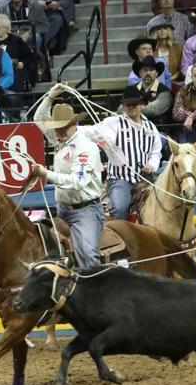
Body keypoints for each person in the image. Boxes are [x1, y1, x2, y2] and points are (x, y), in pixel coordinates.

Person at [32, 89, 109, 268]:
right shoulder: (60, 139)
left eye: (64, 126)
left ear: (74, 124)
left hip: (85, 211)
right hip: (62, 209)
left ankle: (96, 289)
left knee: (89, 256)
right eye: (57, 128)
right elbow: (38, 118)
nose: (60, 131)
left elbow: (77, 182)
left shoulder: (85, 147)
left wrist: (46, 174)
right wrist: (50, 96)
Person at [95, 85, 163, 221]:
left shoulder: (151, 127)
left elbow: (156, 152)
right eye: (127, 105)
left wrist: (152, 164)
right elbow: (93, 132)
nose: (130, 107)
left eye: (134, 104)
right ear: (123, 107)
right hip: (121, 179)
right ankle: (120, 237)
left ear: (141, 104)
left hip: (145, 178)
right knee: (119, 209)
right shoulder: (113, 123)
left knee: (163, 204)